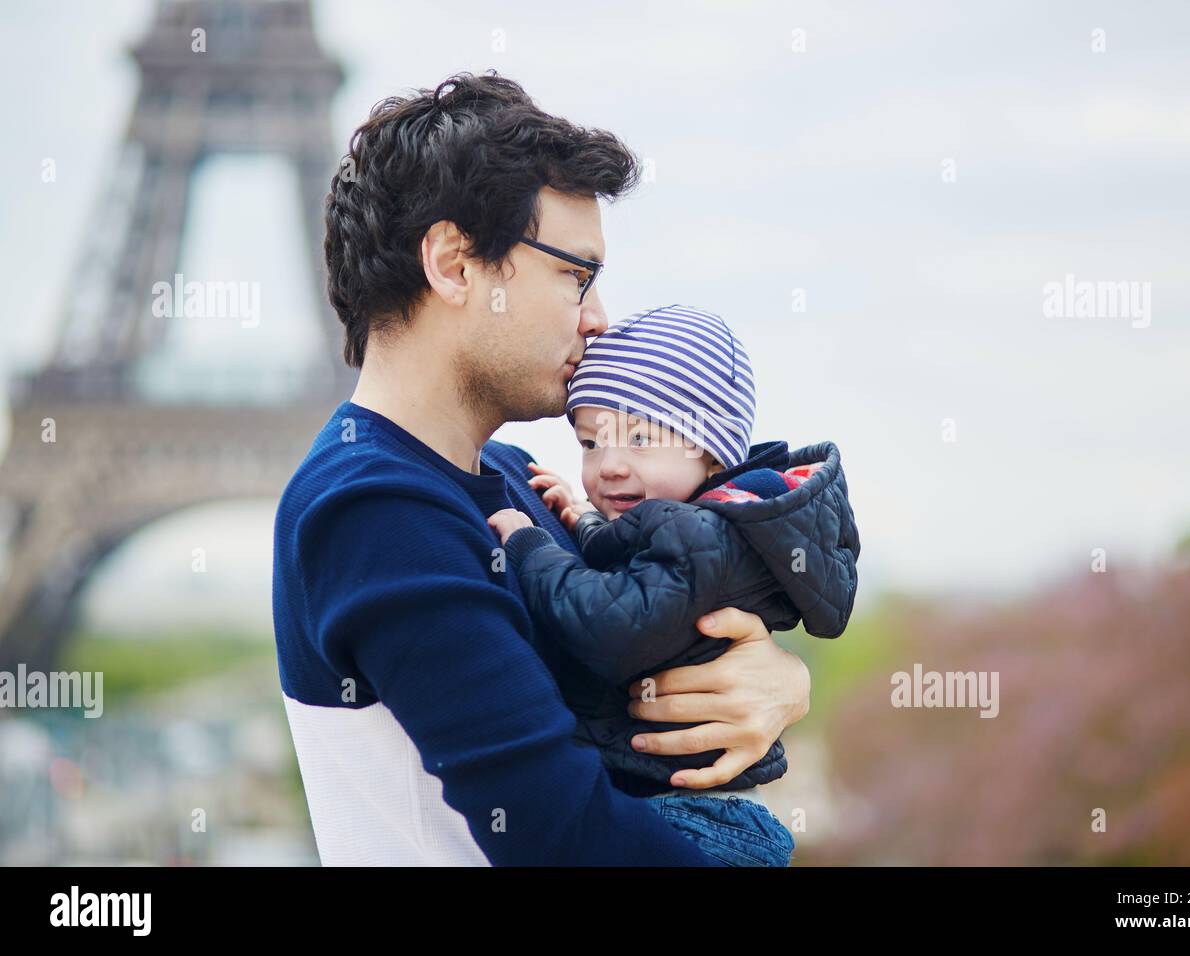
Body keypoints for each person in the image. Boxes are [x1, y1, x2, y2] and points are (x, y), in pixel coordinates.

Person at [271, 73, 812, 865]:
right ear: (456, 264)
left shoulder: (513, 478)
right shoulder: (371, 512)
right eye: (575, 274)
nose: (598, 318)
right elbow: (569, 838)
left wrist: (774, 679)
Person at [485, 304, 860, 866]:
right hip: (697, 806)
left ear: (711, 451)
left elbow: (609, 625)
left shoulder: (701, 535)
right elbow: (635, 571)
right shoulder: (707, 523)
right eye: (591, 444)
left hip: (688, 819)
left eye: (639, 438)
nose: (609, 465)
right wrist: (583, 520)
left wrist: (531, 546)